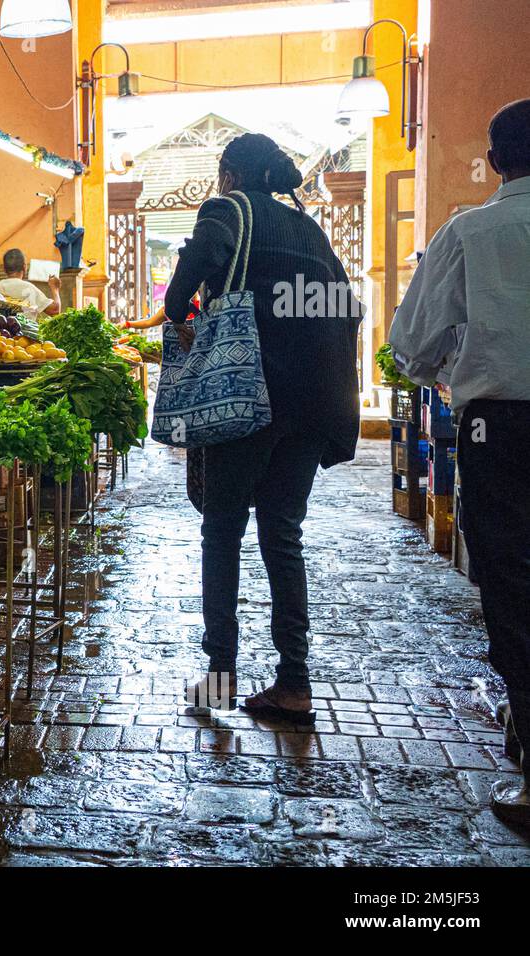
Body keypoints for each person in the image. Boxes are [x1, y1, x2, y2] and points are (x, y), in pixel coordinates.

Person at [165, 133, 361, 722]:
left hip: (244, 398)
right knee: (282, 535)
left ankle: (220, 675)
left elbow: (182, 291)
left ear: (229, 174)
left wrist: (183, 312)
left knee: (222, 530)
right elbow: (344, 307)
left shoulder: (227, 211)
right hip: (311, 404)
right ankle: (294, 682)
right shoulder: (309, 229)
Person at [389, 99, 530, 826]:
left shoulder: (471, 233)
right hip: (497, 424)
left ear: (497, 160)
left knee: (511, 582)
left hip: (499, 428)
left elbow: (411, 344)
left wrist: (450, 369)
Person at [0, 248, 62, 316]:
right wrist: (55, 288)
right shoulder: (29, 289)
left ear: (4, 268)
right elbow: (55, 311)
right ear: (24, 267)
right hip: (24, 329)